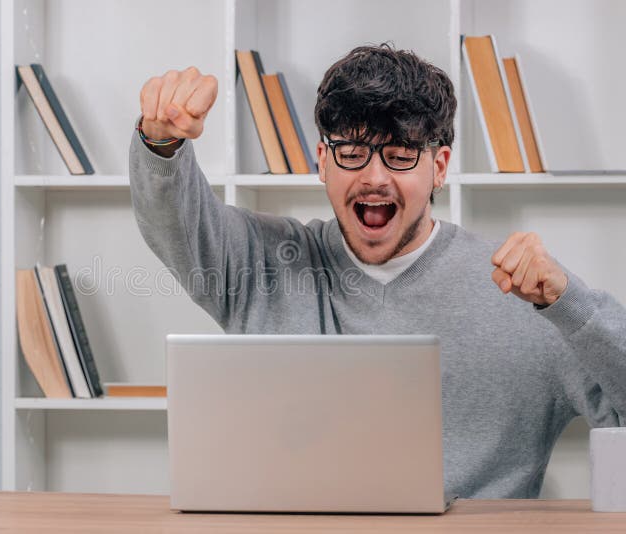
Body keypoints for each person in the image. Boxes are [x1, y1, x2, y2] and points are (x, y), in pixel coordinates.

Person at [128, 44, 626, 499]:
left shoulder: (520, 292)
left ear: (440, 167)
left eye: (402, 155)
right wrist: (161, 142)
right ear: (323, 162)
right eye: (351, 153)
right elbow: (175, 223)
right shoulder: (261, 263)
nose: (374, 176)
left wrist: (570, 306)